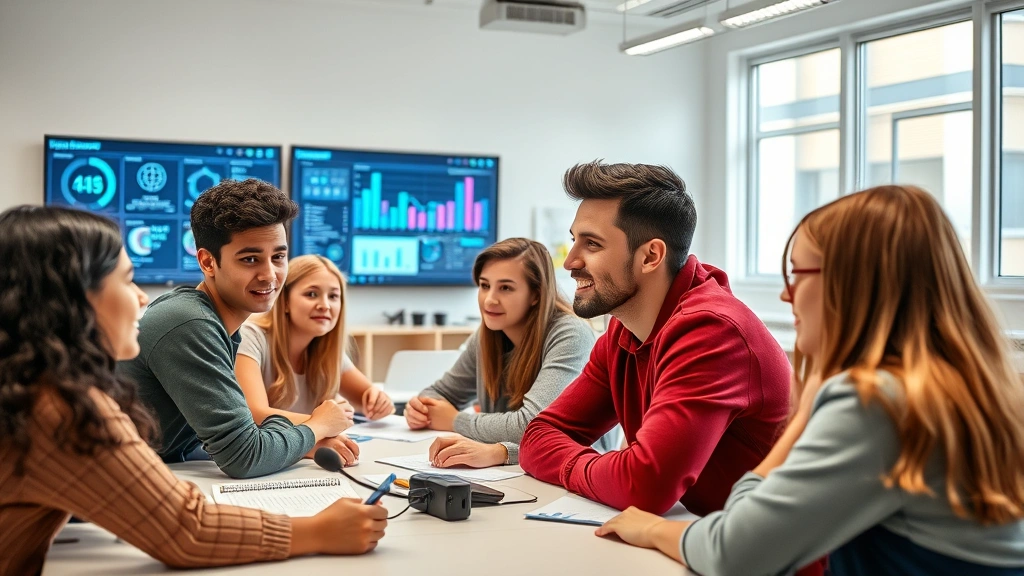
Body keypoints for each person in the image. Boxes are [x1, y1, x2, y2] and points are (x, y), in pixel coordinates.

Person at [596, 185, 1024, 575]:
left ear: (854, 285)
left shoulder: (876, 400)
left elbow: (735, 551)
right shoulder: (964, 386)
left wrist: (652, 529)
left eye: (798, 274)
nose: (786, 294)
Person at [0, 206, 387, 575]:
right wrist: (318, 531)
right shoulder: (60, 409)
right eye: (125, 279)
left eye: (278, 256)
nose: (141, 298)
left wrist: (299, 441)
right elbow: (187, 529)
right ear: (72, 300)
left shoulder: (39, 389)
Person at [519, 161, 792, 518]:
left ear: (650, 256)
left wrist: (584, 467)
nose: (570, 262)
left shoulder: (712, 331)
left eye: (592, 244)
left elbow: (644, 487)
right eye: (574, 240)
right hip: (707, 539)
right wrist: (615, 470)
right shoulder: (624, 329)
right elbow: (539, 436)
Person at [118, 179, 357, 479]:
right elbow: (244, 457)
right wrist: (317, 425)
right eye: (250, 259)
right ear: (208, 262)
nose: (270, 275)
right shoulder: (191, 323)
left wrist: (301, 443)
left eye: (278, 257)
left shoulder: (217, 323)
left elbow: (224, 438)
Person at [402, 238, 596, 468]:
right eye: (485, 286)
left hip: (570, 476)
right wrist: (420, 410)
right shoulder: (489, 333)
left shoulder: (571, 334)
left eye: (505, 288)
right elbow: (437, 394)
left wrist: (456, 421)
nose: (490, 299)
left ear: (536, 294)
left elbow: (532, 426)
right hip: (513, 472)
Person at [236, 254, 395, 428]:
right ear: (285, 301)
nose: (325, 305)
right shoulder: (249, 337)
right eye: (312, 294)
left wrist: (380, 401)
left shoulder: (328, 351)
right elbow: (255, 414)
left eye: (333, 296)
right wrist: (325, 423)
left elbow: (367, 400)